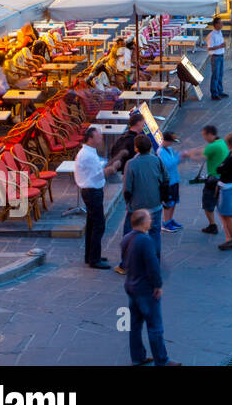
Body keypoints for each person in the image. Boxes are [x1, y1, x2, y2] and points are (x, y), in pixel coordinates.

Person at [122, 209, 178, 365]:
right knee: (155, 327)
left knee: (134, 325)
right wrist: (157, 285)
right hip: (145, 289)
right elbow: (153, 266)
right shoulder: (145, 241)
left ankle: (137, 357)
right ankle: (162, 360)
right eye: (149, 219)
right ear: (142, 222)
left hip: (131, 285)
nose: (151, 222)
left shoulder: (126, 238)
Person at [74, 127, 119, 269]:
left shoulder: (89, 152)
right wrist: (114, 167)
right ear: (91, 139)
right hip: (92, 192)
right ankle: (94, 259)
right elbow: (101, 173)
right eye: (99, 138)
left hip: (91, 190)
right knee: (99, 225)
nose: (101, 140)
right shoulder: (87, 155)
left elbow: (100, 166)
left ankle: (91, 256)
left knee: (92, 224)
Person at [122, 134, 166, 268]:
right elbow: (166, 178)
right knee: (155, 234)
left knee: (129, 233)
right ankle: (154, 261)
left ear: (136, 148)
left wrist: (128, 204)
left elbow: (127, 188)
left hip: (136, 207)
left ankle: (126, 263)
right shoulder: (157, 161)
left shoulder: (131, 164)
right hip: (155, 204)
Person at [179, 124, 228, 235]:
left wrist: (189, 155)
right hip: (223, 177)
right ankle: (231, 223)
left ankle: (212, 225)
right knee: (223, 202)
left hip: (213, 178)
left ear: (210, 134)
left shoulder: (213, 147)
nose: (204, 138)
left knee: (208, 203)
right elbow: (204, 149)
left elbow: (200, 158)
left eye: (204, 135)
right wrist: (192, 148)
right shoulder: (221, 142)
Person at [215, 132, 232, 250]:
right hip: (227, 186)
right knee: (225, 214)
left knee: (228, 215)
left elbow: (220, 169)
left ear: (231, 144)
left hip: (228, 188)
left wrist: (220, 167)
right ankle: (229, 238)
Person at [157, 132, 183, 232]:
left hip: (174, 179)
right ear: (167, 141)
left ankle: (170, 219)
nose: (172, 144)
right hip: (168, 182)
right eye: (171, 142)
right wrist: (179, 157)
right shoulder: (161, 151)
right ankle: (166, 222)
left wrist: (181, 157)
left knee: (174, 201)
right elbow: (168, 165)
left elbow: (175, 161)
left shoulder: (170, 149)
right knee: (168, 203)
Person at [205, 16, 228, 100]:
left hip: (221, 55)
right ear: (216, 24)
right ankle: (214, 93)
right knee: (215, 75)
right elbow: (209, 48)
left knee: (220, 75)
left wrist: (222, 45)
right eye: (220, 23)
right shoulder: (212, 35)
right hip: (215, 57)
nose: (222, 24)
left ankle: (220, 91)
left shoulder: (220, 32)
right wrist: (220, 46)